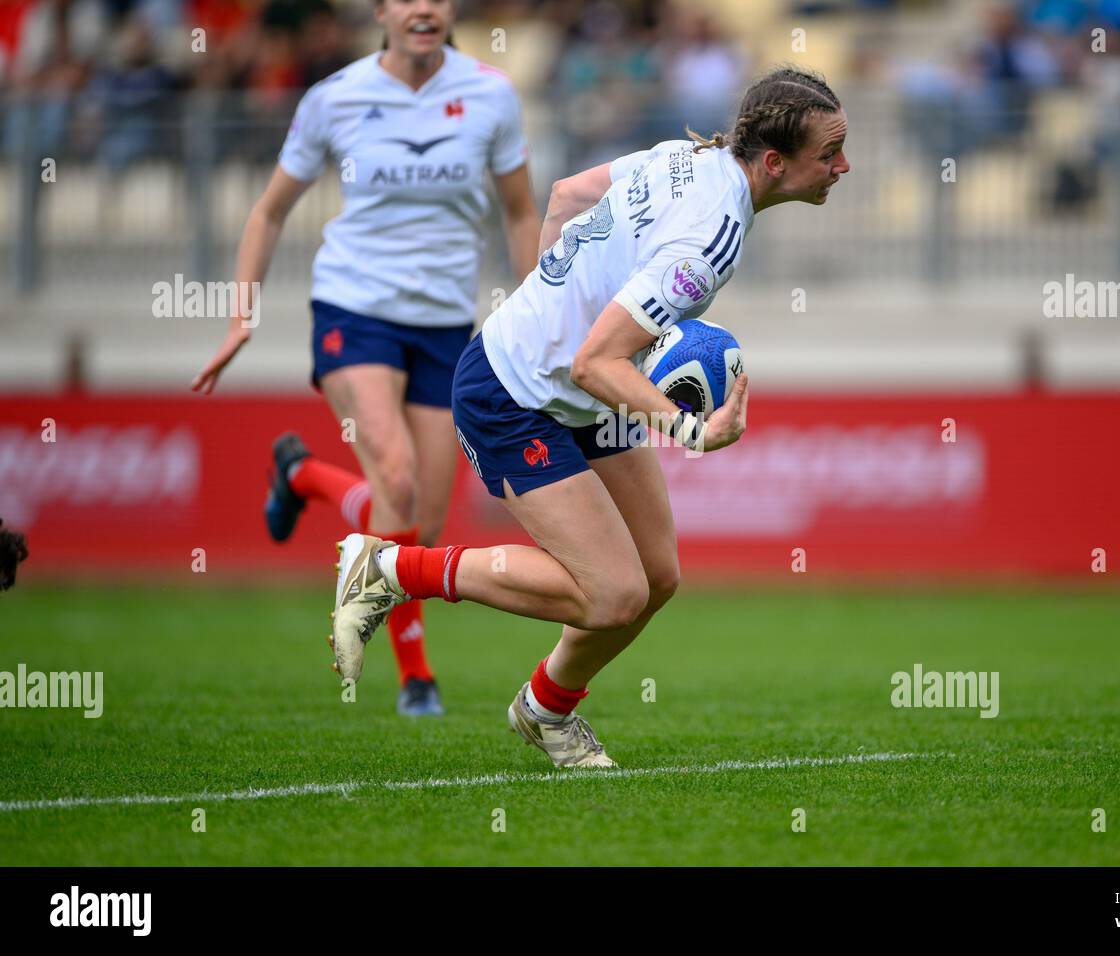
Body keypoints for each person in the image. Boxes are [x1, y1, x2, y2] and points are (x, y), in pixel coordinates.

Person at [326, 65, 850, 766]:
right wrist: (693, 430)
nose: (844, 165)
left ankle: (545, 708)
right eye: (831, 152)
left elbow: (566, 194)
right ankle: (389, 569)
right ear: (777, 162)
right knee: (613, 596)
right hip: (512, 392)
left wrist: (548, 296)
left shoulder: (686, 155)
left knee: (657, 577)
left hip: (571, 389)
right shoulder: (712, 238)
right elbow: (593, 364)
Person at [191, 0, 541, 714]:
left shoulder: (490, 95)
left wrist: (541, 315)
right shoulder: (335, 98)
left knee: (424, 528)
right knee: (398, 478)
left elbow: (519, 212)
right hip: (353, 311)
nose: (424, 8)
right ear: (380, 10)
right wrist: (240, 317)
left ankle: (304, 475)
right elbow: (269, 210)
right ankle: (416, 675)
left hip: (445, 325)